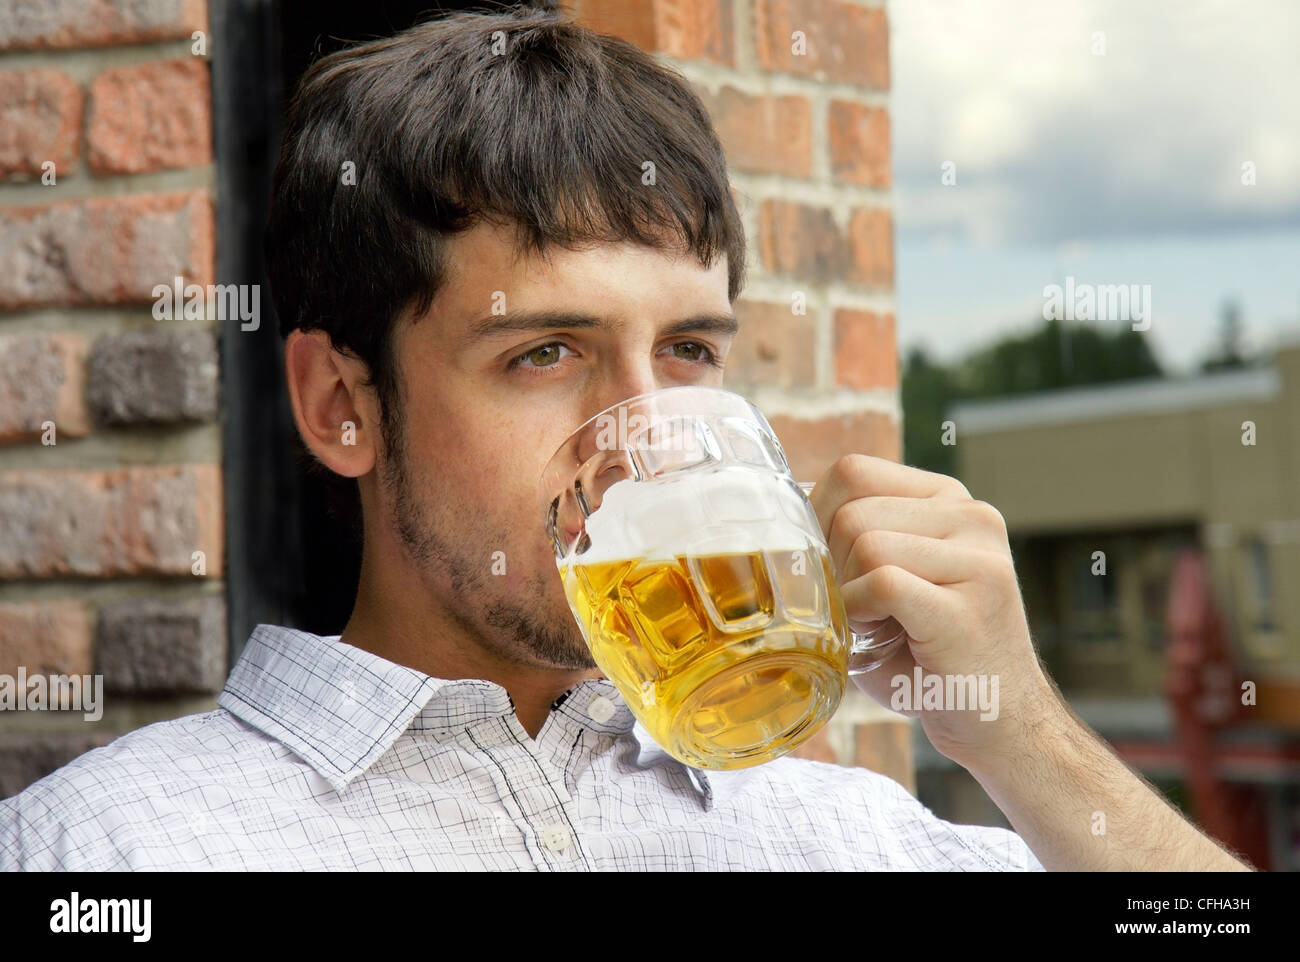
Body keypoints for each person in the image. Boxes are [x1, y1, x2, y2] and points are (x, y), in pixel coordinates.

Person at [0, 5, 1253, 871]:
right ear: (342, 403)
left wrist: (1016, 730)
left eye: (690, 353)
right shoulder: (114, 848)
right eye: (544, 353)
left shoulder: (849, 835)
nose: (645, 437)